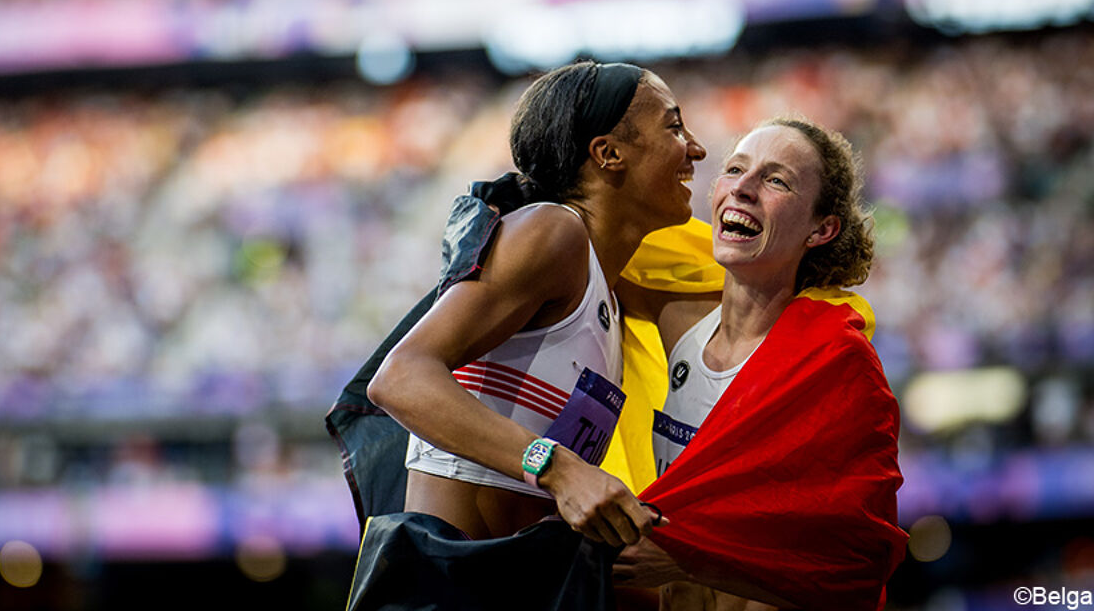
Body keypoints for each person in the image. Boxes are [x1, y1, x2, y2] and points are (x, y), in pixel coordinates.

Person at [365, 60, 707, 548]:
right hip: (446, 576)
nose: (696, 148)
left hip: (516, 575)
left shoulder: (606, 289)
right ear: (608, 153)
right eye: (674, 127)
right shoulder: (552, 232)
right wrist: (558, 467)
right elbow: (400, 377)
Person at [613, 117, 907, 610]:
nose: (743, 188)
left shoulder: (836, 363)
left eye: (776, 180)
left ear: (822, 229)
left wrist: (688, 560)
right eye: (734, 169)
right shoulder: (677, 323)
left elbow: (856, 565)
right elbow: (591, 236)